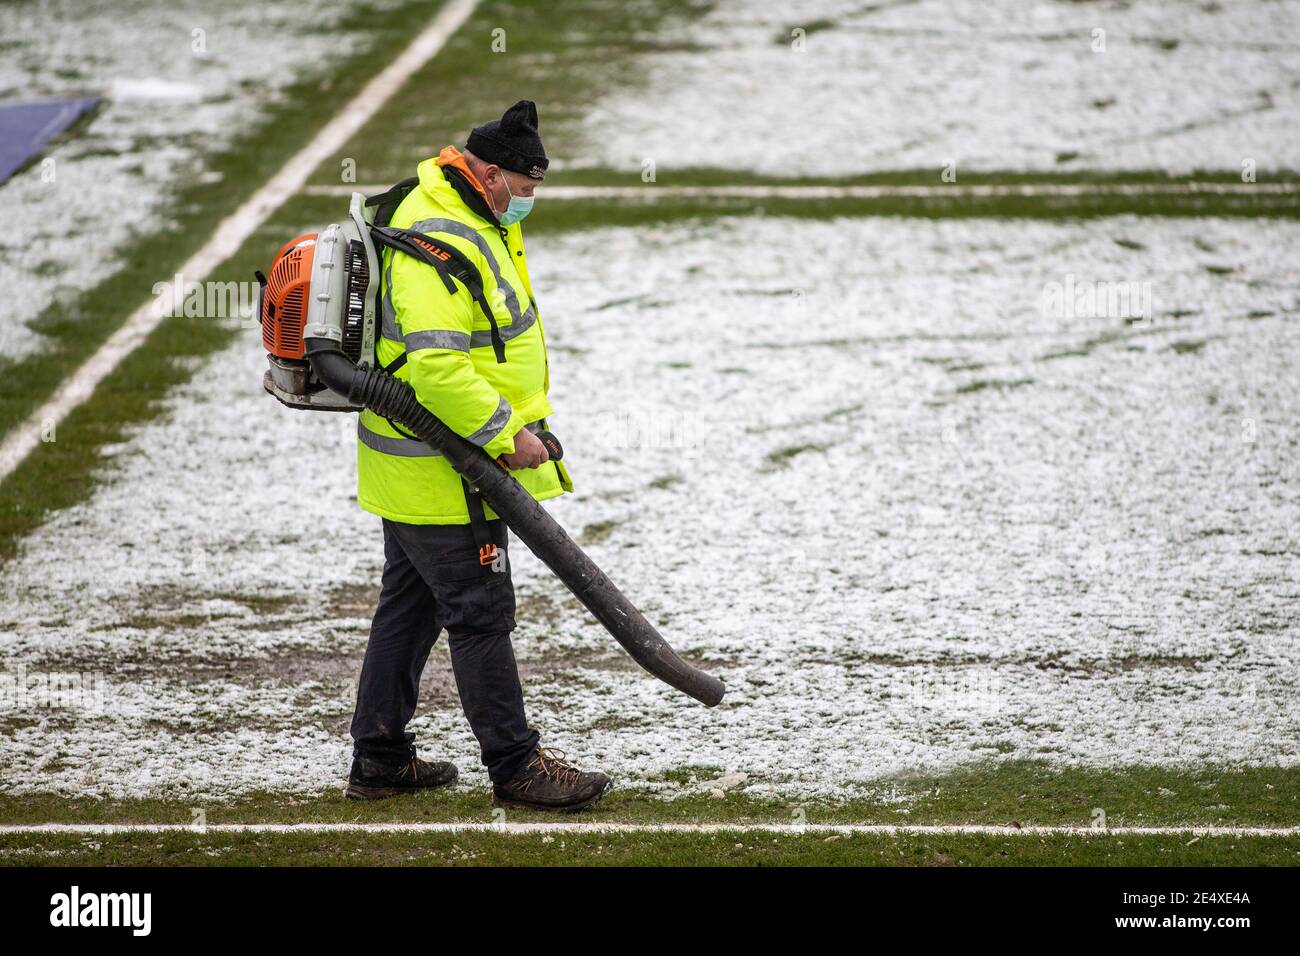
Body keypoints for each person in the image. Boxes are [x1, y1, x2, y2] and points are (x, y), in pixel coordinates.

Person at [345, 100, 611, 812]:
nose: (529, 204)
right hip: (445, 469)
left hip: (419, 467)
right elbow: (435, 369)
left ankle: (378, 758)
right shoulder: (442, 234)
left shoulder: (466, 213)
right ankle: (517, 766)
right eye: (524, 191)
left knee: (410, 607)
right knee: (480, 613)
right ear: (492, 175)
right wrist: (507, 433)